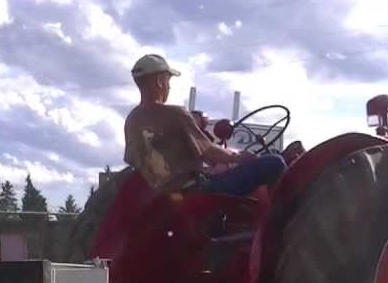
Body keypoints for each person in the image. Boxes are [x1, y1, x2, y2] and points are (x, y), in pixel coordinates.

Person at [123, 54, 286, 197]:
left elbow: (134, 160)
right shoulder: (175, 114)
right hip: (199, 190)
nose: (169, 86)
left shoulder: (131, 121)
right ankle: (283, 227)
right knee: (274, 162)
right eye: (167, 80)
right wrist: (238, 157)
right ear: (159, 81)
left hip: (163, 194)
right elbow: (208, 151)